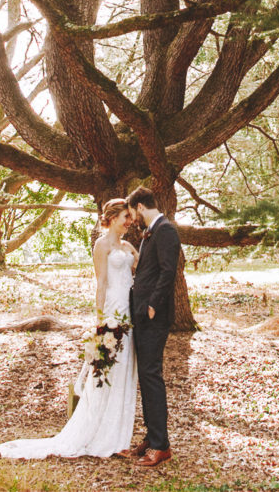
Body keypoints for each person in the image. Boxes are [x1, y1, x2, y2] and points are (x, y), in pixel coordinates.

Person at [0, 199, 139, 459]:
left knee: (124, 374)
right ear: (111, 218)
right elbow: (100, 284)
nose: (129, 222)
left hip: (129, 315)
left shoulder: (128, 246)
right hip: (112, 313)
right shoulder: (102, 246)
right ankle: (99, 435)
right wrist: (100, 321)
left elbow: (144, 272)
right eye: (125, 217)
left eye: (130, 218)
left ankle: (119, 438)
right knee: (106, 376)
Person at [116, 186, 181, 468]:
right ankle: (152, 436)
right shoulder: (151, 231)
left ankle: (160, 445)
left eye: (132, 213)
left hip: (154, 316)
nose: (133, 219)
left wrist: (153, 305)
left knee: (151, 376)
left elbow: (169, 271)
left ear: (140, 206)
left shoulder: (165, 230)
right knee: (146, 375)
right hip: (142, 314)